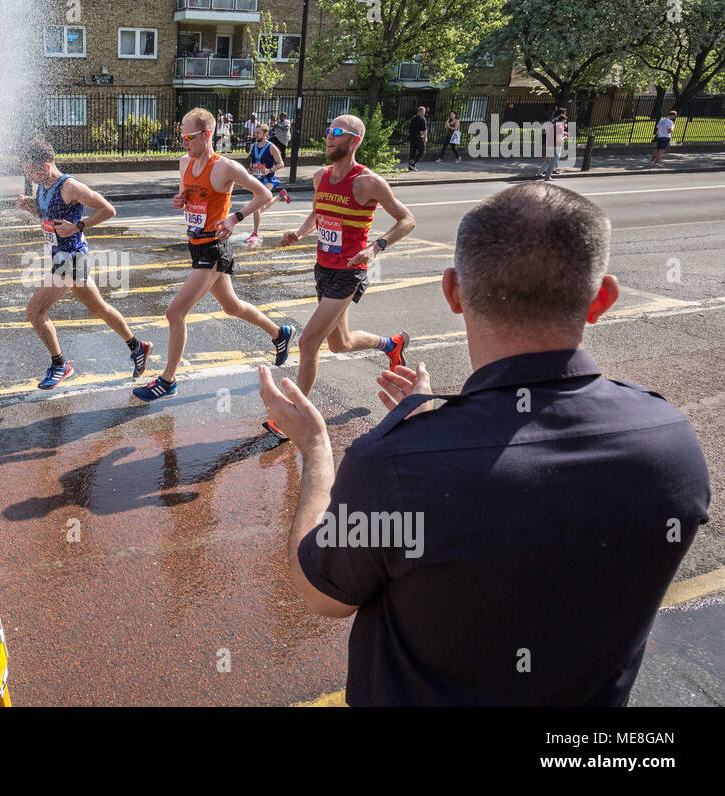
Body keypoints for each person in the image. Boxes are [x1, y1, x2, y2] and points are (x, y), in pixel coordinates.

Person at [258, 182, 710, 705]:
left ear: (452, 291)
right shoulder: (671, 443)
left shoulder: (394, 464)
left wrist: (315, 448)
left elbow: (323, 595)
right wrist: (439, 428)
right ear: (602, 299)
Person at [133, 108, 294, 402]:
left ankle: (168, 380)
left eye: (189, 136)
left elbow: (264, 195)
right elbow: (186, 200)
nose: (184, 141)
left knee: (175, 312)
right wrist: (180, 200)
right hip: (195, 245)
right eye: (181, 135)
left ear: (206, 135)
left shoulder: (225, 168)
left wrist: (235, 218)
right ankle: (279, 333)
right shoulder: (184, 163)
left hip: (214, 248)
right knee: (232, 307)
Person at [279, 114, 415, 396]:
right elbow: (318, 213)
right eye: (329, 130)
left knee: (308, 343)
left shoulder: (368, 182)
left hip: (349, 271)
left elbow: (407, 220)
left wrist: (375, 247)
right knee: (340, 344)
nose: (329, 136)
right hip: (323, 268)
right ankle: (391, 345)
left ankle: (297, 412)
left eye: (338, 132)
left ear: (355, 141)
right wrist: (300, 233)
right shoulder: (321, 177)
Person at [17, 140, 151, 389]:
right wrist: (31, 209)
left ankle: (60, 365)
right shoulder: (43, 187)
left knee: (34, 312)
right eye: (25, 170)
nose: (28, 175)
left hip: (72, 259)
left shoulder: (70, 187)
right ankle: (137, 346)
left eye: (30, 170)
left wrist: (79, 226)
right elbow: (50, 220)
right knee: (98, 307)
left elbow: (108, 210)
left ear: (45, 166)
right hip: (61, 256)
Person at [243, 123, 291, 247]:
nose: (255, 135)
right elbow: (252, 163)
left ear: (266, 134)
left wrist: (269, 170)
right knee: (259, 208)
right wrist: (250, 171)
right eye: (255, 133)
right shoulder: (253, 146)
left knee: (256, 207)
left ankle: (255, 234)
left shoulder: (272, 147)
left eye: (258, 133)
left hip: (268, 180)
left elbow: (281, 164)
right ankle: (280, 196)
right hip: (256, 179)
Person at [535, 109, 569, 181]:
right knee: (553, 162)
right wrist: (565, 137)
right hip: (556, 146)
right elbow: (559, 140)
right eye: (565, 121)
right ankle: (547, 177)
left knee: (547, 160)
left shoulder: (553, 126)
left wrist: (563, 133)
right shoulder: (559, 128)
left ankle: (539, 172)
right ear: (563, 121)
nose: (565, 123)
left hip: (549, 145)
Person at [405, 106, 428, 171]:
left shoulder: (413, 118)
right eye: (424, 111)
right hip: (418, 137)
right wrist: (425, 137)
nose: (425, 112)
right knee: (422, 151)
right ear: (422, 112)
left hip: (412, 137)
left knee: (413, 152)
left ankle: (410, 167)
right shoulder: (422, 118)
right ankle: (412, 163)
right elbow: (425, 129)